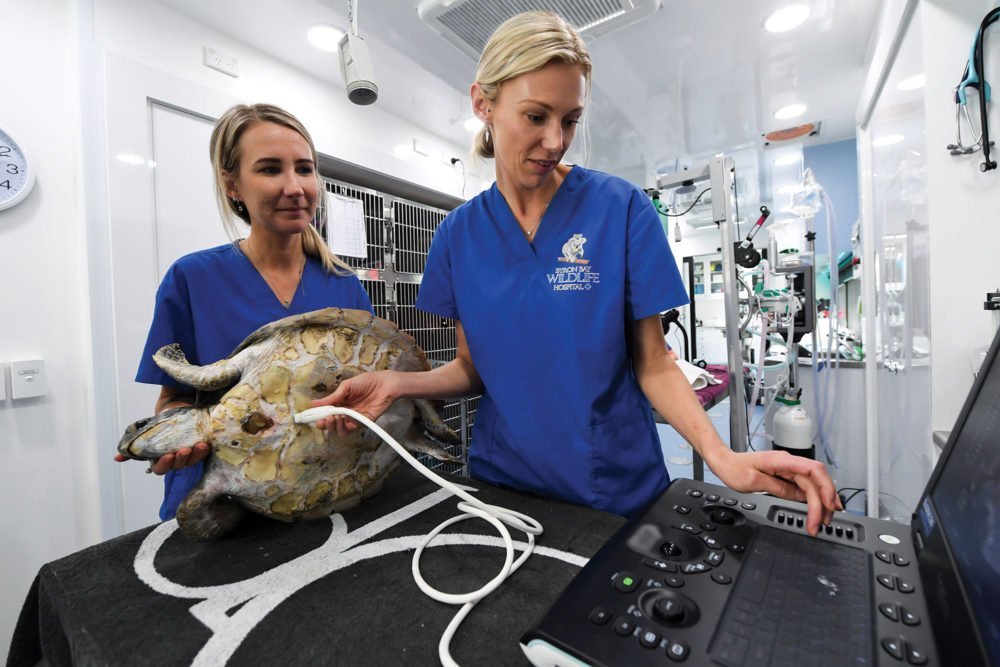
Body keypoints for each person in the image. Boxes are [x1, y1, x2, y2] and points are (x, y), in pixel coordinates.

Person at [313, 11, 840, 535]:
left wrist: (719, 455)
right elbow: (472, 370)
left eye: (570, 120)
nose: (555, 141)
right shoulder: (457, 236)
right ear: (483, 104)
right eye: (536, 116)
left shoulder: (621, 209)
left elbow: (654, 363)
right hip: (504, 487)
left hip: (611, 488)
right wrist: (395, 384)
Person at [119, 103, 374, 521]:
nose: (295, 186)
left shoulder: (343, 284)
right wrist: (177, 436)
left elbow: (364, 390)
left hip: (318, 495)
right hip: (223, 502)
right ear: (233, 185)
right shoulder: (193, 277)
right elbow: (174, 396)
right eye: (271, 169)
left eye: (305, 169)